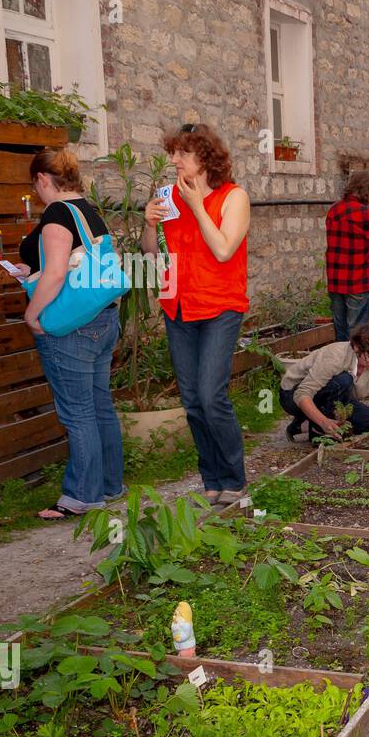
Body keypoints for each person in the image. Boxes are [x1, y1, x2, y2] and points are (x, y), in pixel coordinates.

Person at [143, 123, 252, 506]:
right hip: (178, 305)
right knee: (191, 399)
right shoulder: (167, 196)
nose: (173, 160)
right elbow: (151, 255)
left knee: (211, 394)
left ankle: (235, 478)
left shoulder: (233, 197)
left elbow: (223, 250)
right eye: (172, 153)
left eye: (182, 153)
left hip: (220, 305)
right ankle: (213, 476)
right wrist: (149, 224)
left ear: (204, 158)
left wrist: (195, 206)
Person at [19, 148, 124, 519]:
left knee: (78, 414)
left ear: (44, 180)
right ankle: (110, 485)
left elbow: (57, 274)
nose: (37, 194)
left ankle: (81, 496)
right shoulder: (88, 211)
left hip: (72, 329)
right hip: (103, 320)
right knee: (99, 407)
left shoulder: (56, 214)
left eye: (36, 186)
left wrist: (33, 315)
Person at [280, 323, 369, 449]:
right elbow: (302, 393)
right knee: (344, 380)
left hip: (337, 395)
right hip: (293, 394)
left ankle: (301, 425)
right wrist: (323, 422)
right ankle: (319, 430)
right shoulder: (335, 356)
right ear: (356, 347)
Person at [324, 169, 369, 342]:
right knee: (357, 334)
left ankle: (342, 366)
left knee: (340, 333)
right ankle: (354, 368)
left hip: (336, 282)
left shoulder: (334, 210)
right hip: (358, 282)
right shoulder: (366, 213)